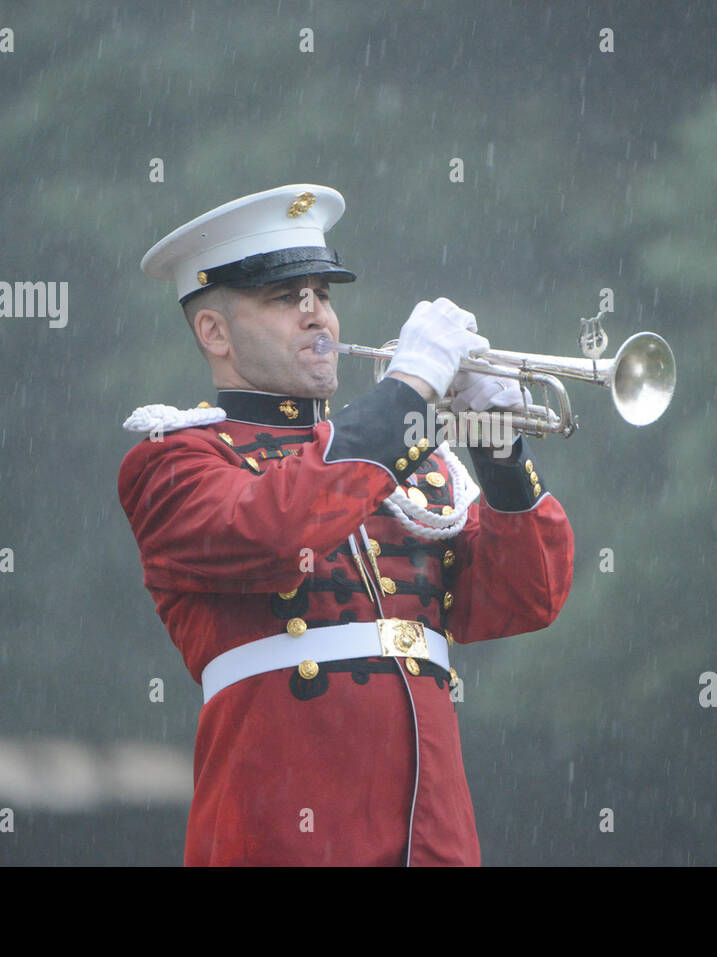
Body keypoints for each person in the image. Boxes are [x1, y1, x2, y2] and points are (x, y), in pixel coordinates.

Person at [117, 184, 574, 866]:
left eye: (322, 295)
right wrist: (409, 392)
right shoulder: (175, 461)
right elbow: (277, 530)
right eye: (283, 298)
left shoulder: (398, 460)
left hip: (435, 840)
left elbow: (524, 597)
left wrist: (500, 449)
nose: (317, 316)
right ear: (213, 332)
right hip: (282, 838)